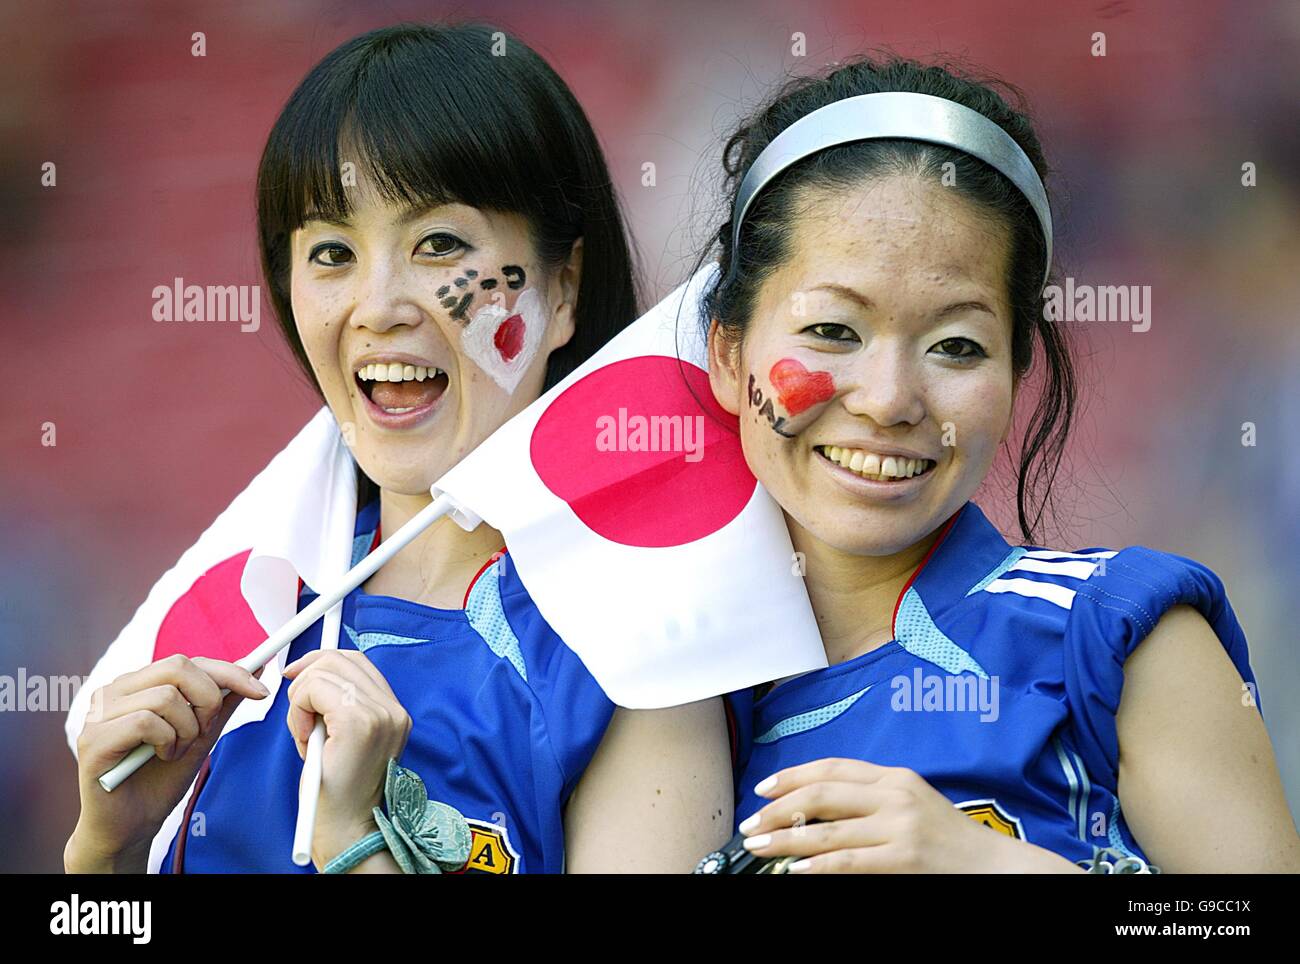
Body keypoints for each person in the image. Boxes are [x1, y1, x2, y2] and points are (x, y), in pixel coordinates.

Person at [65, 22, 731, 874]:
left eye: (440, 245)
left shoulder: (647, 648)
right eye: (333, 253)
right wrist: (101, 851)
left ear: (562, 290)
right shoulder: (251, 606)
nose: (378, 305)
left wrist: (358, 845)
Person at [700, 55, 1300, 872]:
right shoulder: (633, 684)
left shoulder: (1117, 639)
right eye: (833, 331)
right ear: (728, 358)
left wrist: (989, 865)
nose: (889, 400)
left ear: (1018, 374)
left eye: (956, 345)